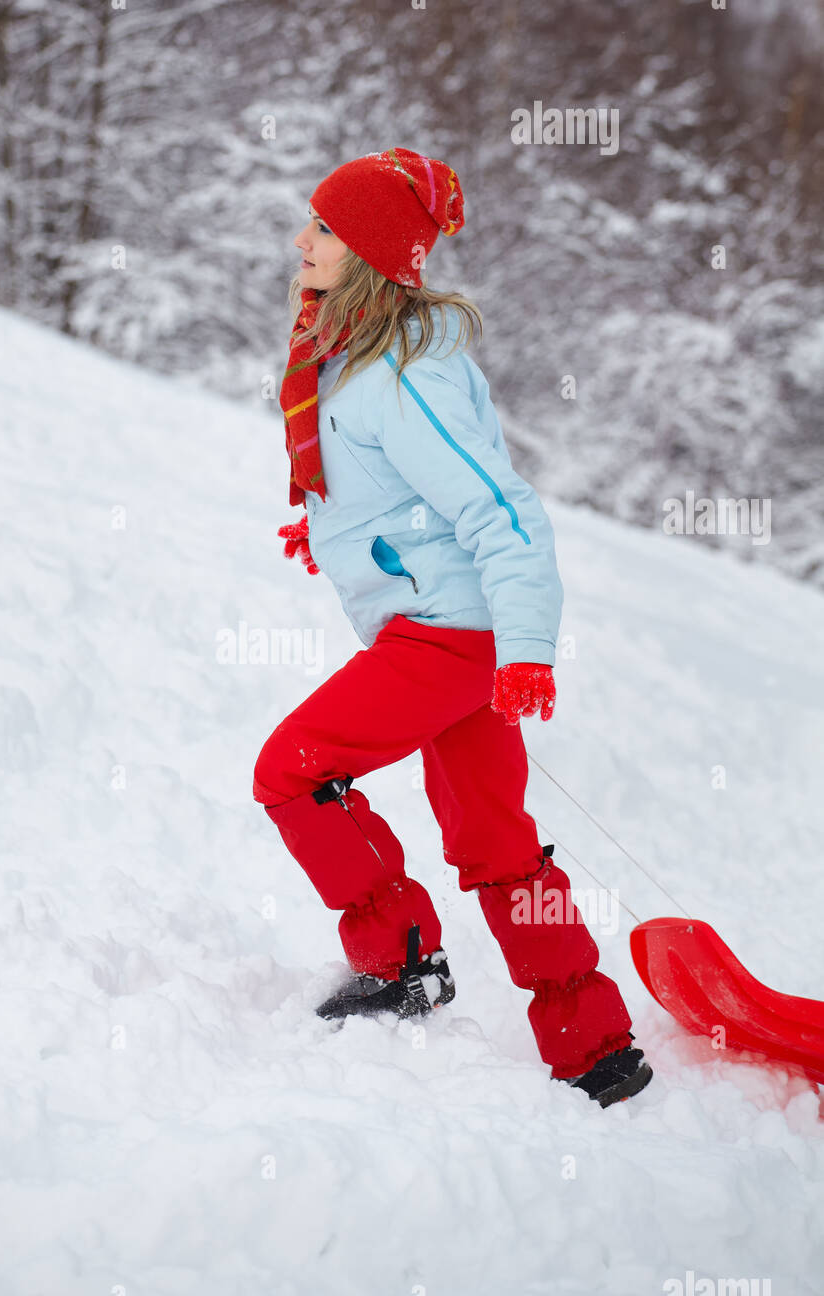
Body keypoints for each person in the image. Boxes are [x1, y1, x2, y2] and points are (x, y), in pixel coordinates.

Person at [252, 148, 652, 1108]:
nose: (301, 242)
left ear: (375, 254)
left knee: (291, 771)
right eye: (311, 222)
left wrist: (524, 653)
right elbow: (407, 495)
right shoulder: (358, 360)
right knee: (496, 841)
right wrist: (339, 532)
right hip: (443, 623)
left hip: (447, 636)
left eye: (326, 230)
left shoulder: (401, 375)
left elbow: (498, 511)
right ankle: (594, 1045)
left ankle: (401, 963)